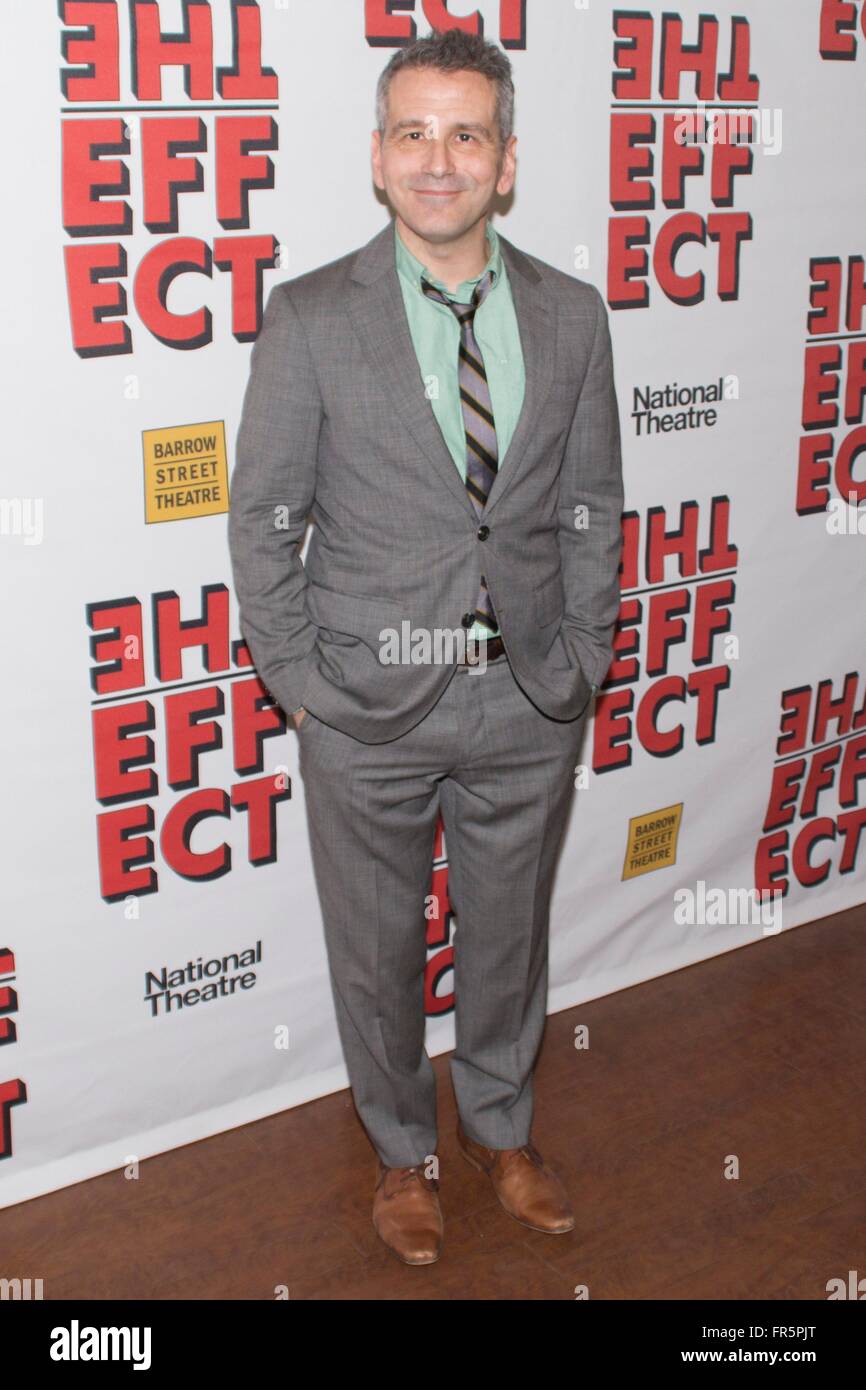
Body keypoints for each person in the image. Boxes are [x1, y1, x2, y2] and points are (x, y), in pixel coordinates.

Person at [228, 27, 623, 1266]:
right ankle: (402, 1152)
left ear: (505, 162)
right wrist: (303, 687)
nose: (437, 160)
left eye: (466, 134)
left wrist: (581, 658)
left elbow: (591, 505)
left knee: (509, 934)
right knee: (375, 948)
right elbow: (264, 516)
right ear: (377, 157)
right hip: (365, 708)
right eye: (414, 132)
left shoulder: (571, 316)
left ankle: (499, 1126)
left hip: (526, 699)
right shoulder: (307, 319)